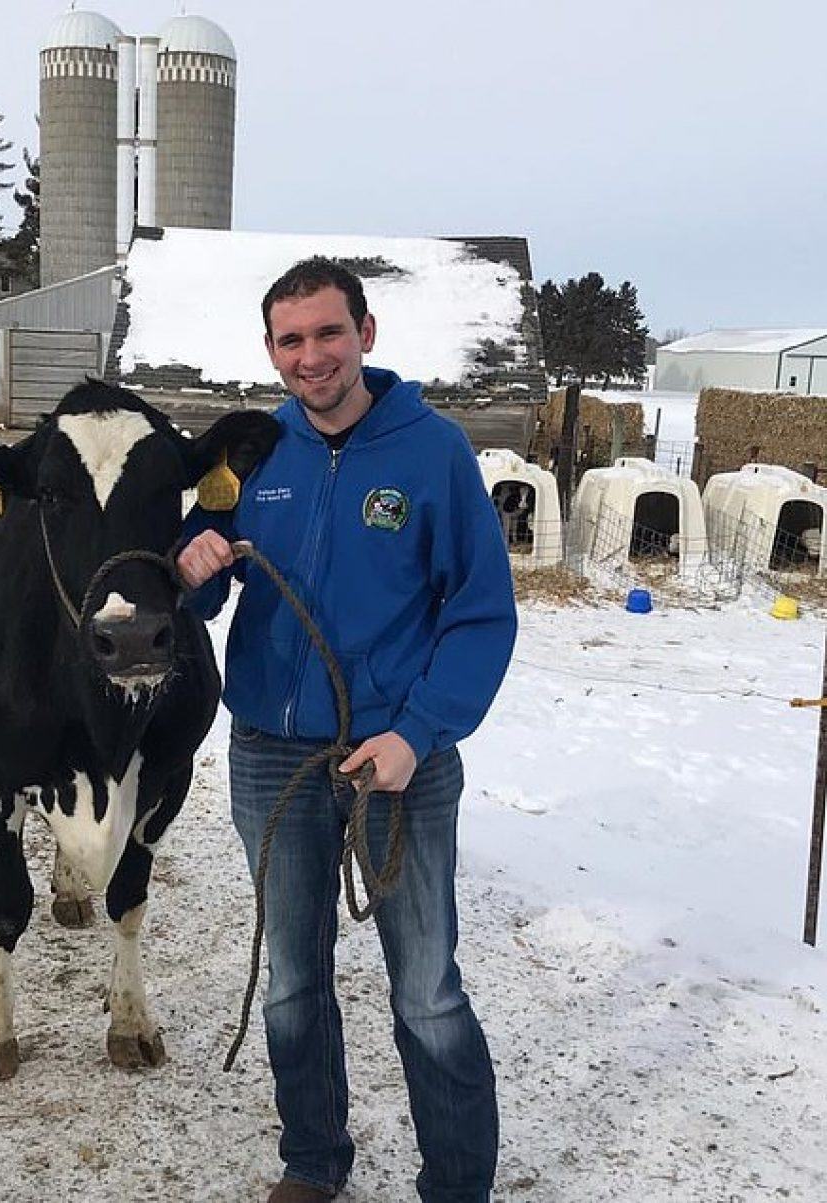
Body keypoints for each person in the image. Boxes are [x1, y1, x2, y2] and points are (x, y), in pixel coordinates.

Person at [176, 257, 517, 1203]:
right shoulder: (252, 454)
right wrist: (194, 560)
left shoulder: (434, 452)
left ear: (365, 334)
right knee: (293, 980)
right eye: (292, 339)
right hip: (272, 755)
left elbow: (482, 614)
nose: (313, 356)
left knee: (427, 991)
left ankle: (455, 1186)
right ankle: (315, 1163)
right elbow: (194, 593)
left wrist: (418, 733)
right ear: (271, 352)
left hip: (395, 760)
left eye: (329, 333)